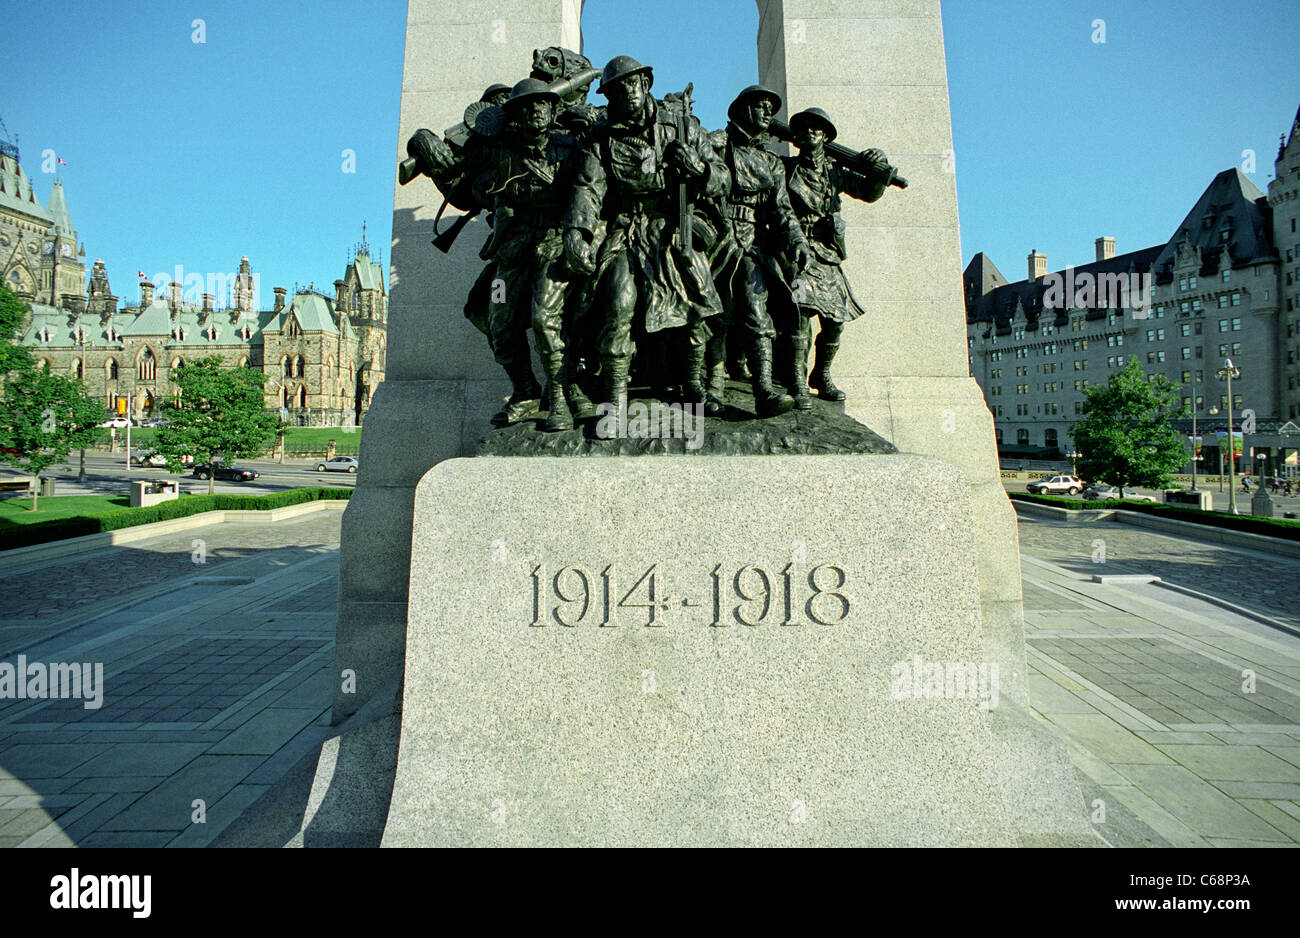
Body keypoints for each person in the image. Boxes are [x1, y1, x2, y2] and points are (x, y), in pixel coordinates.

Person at [563, 56, 730, 408]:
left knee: (697, 305)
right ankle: (615, 400)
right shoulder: (600, 138)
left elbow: (722, 178)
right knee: (618, 304)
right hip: (626, 230)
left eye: (632, 83)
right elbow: (587, 188)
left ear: (646, 83)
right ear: (608, 97)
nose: (627, 92)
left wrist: (699, 169)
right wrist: (578, 232)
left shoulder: (682, 128)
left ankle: (693, 386)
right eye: (617, 89)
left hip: (674, 227)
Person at [703, 85, 813, 417]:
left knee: (756, 308)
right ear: (741, 110)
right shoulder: (718, 144)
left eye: (770, 107)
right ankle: (712, 386)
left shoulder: (771, 163)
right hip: (716, 235)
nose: (767, 113)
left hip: (751, 241)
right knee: (713, 316)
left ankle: (763, 389)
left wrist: (797, 240)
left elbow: (782, 210)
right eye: (760, 106)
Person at [777, 107, 893, 405]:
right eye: (803, 129)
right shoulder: (786, 168)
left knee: (836, 320)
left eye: (817, 129)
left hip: (827, 253)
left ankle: (822, 374)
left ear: (826, 136)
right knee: (799, 316)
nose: (809, 133)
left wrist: (879, 166)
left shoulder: (834, 173)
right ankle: (797, 381)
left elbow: (869, 191)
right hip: (796, 249)